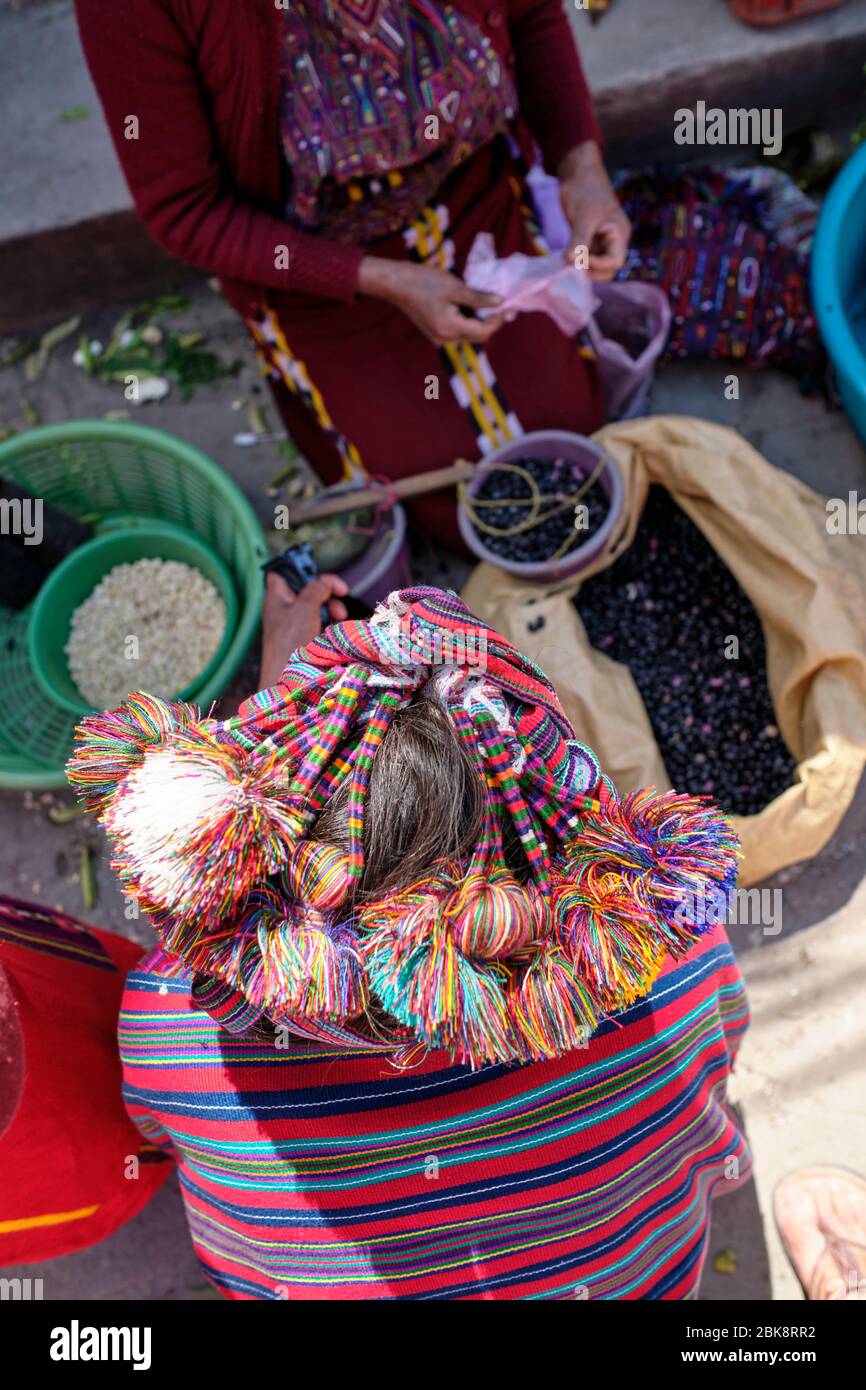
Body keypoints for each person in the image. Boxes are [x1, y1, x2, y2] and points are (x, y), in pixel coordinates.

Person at [67, 579, 750, 1300]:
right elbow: (727, 1037)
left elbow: (155, 1129)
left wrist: (284, 705)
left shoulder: (171, 1022)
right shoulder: (659, 949)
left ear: (251, 828)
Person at [74, 0, 630, 545]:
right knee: (436, 496)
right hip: (313, 256)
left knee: (567, 433)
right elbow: (186, 209)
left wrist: (581, 169)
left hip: (466, 190)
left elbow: (533, 16)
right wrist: (379, 279)